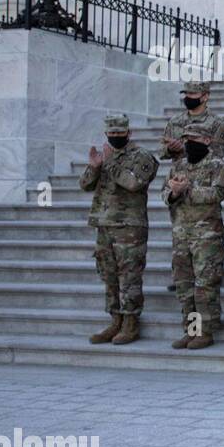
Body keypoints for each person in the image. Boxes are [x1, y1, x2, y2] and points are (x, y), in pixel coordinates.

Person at [81, 114, 159, 346]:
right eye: (111, 133)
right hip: (104, 224)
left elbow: (133, 183)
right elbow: (85, 185)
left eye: (119, 133)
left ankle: (131, 322)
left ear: (129, 133)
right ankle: (115, 320)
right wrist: (95, 168)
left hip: (129, 226)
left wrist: (110, 163)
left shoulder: (142, 157)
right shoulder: (105, 158)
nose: (115, 137)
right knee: (109, 275)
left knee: (129, 276)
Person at [162, 120, 224, 349]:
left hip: (207, 236)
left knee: (205, 286)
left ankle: (206, 331)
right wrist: (173, 193)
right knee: (184, 286)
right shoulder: (178, 166)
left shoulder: (217, 166)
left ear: (207, 141)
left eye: (195, 140)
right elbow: (164, 194)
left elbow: (217, 193)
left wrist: (187, 191)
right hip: (181, 235)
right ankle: (191, 329)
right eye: (187, 140)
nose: (190, 144)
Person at [160, 80, 224, 163]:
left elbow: (219, 153)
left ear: (205, 96)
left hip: (205, 173)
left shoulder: (217, 123)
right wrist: (169, 149)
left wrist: (187, 148)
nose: (188, 97)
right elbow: (161, 153)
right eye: (186, 93)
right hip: (179, 173)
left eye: (193, 94)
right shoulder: (175, 121)